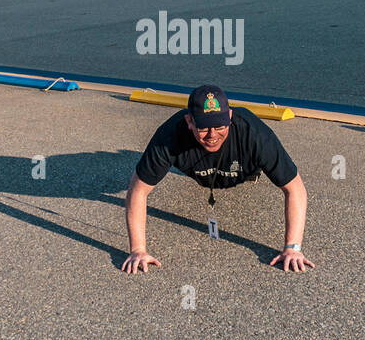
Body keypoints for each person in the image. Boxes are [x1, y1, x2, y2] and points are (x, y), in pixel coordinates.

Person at [123, 85, 312, 273]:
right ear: (189, 121)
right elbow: (138, 191)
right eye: (204, 128)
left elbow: (295, 188)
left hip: (243, 169)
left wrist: (292, 248)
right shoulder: (169, 135)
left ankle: (242, 166)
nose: (212, 135)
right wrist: (138, 250)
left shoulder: (254, 134)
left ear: (230, 118)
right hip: (197, 169)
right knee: (172, 163)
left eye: (219, 126)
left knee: (248, 164)